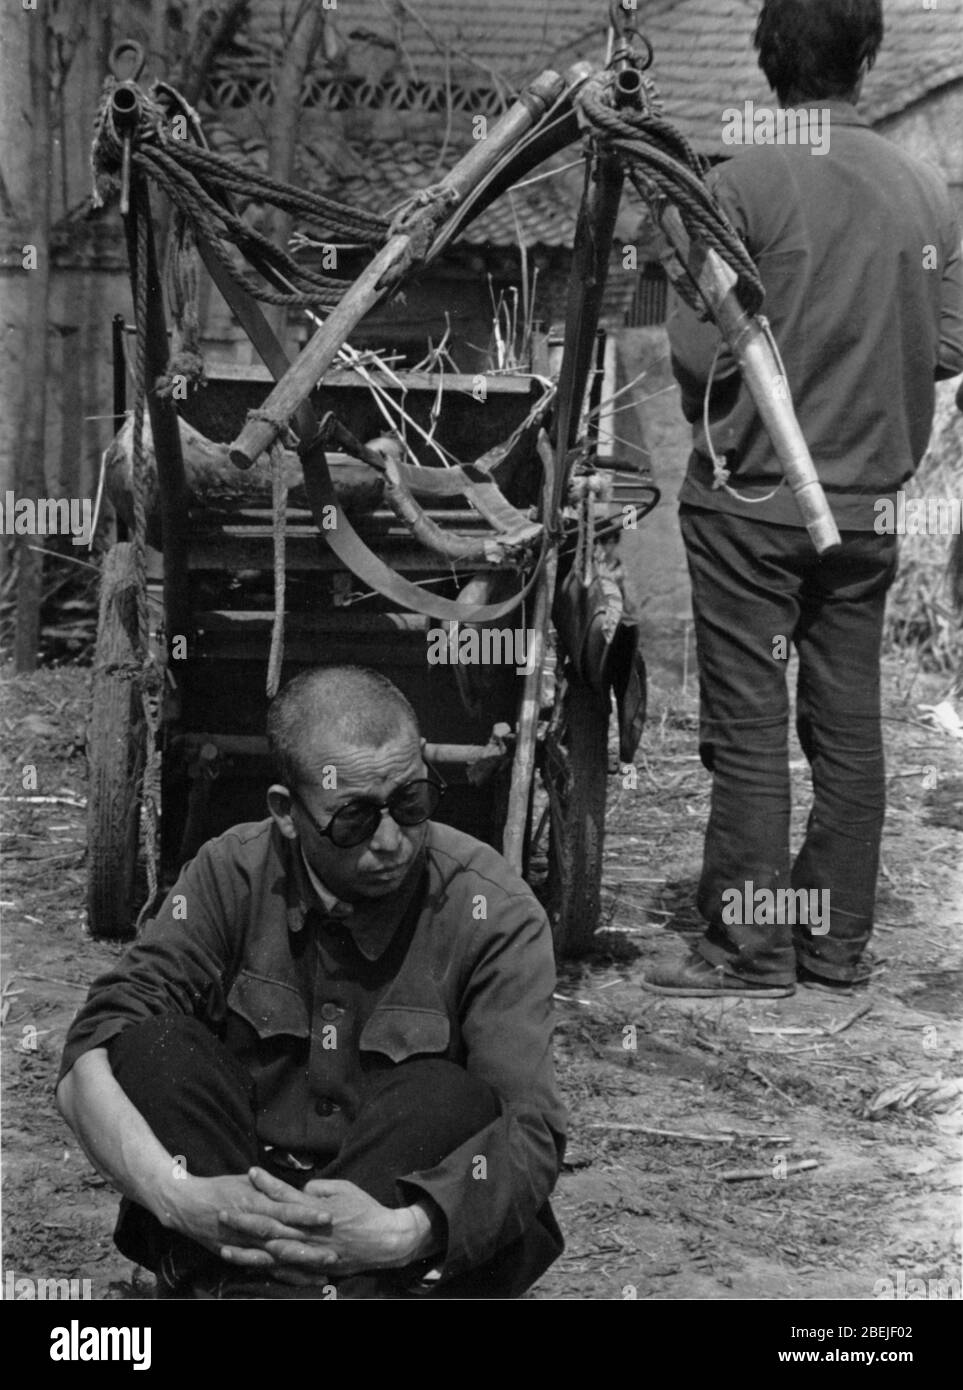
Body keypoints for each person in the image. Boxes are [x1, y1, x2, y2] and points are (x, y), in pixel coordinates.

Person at [57, 665, 565, 1299]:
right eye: (352, 821)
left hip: (386, 1222)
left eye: (411, 804)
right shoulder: (230, 873)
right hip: (236, 1193)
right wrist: (177, 1196)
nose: (391, 843)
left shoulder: (494, 908)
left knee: (450, 1099)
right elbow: (88, 1059)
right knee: (156, 1049)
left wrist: (400, 1231)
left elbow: (531, 1131)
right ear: (287, 813)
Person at [645, 0, 963, 998]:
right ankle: (833, 945)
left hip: (753, 503)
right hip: (870, 508)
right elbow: (950, 345)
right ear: (868, 56)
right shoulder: (926, 189)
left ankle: (753, 947)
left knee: (750, 725)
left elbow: (699, 356)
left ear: (767, 60)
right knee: (849, 726)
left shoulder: (737, 184)